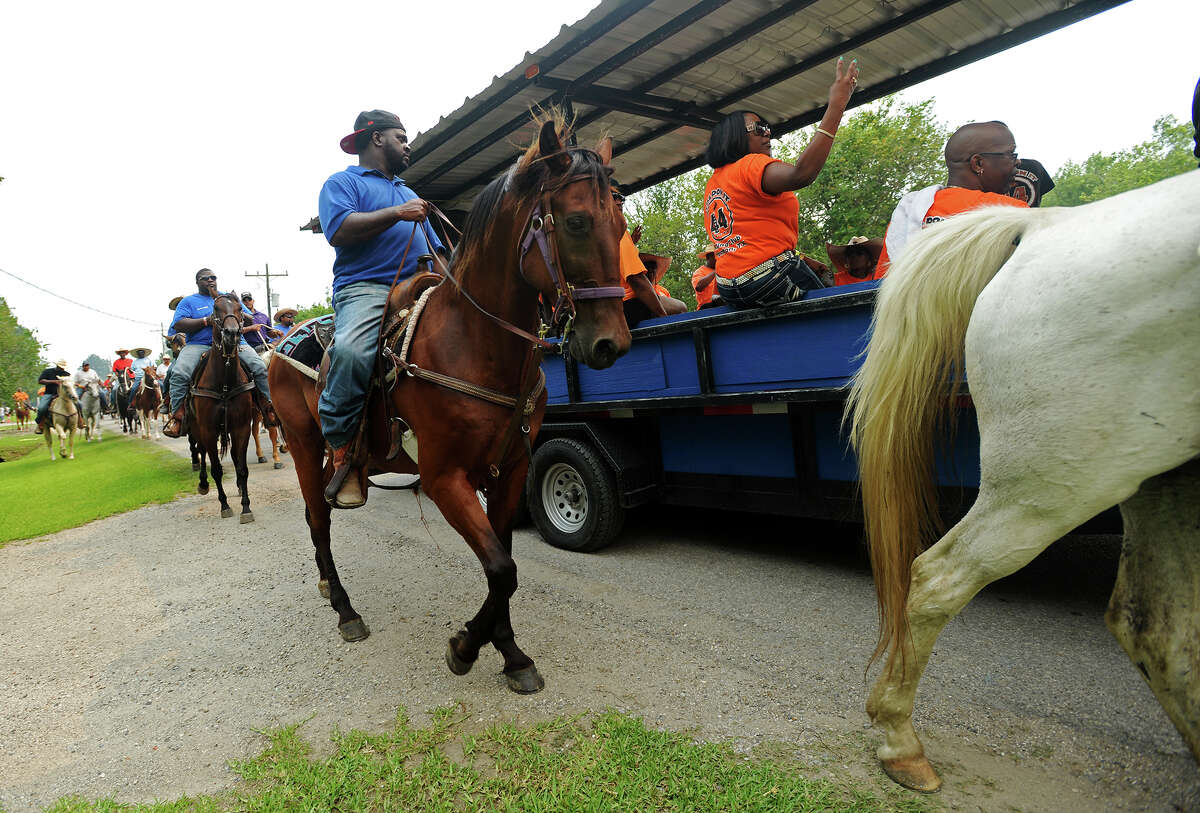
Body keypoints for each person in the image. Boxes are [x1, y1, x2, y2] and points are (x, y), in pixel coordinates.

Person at [316, 109, 447, 508]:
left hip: (423, 283)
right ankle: (344, 451)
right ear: (376, 139)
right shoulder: (343, 183)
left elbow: (437, 252)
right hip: (367, 288)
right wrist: (397, 213)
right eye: (400, 137)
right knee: (354, 352)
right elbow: (338, 230)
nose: (407, 145)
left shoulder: (410, 192)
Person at [702, 57, 859, 309]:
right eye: (759, 127)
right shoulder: (750, 164)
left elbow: (753, 241)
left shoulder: (714, 183)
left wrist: (803, 260)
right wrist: (837, 106)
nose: (767, 132)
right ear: (735, 138)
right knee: (842, 311)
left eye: (767, 127)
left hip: (729, 288)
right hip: (768, 278)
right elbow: (801, 174)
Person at [877, 121, 1029, 275]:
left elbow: (882, 281)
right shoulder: (1011, 212)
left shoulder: (908, 214)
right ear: (978, 164)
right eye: (1011, 154)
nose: (1018, 161)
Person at [162, 268, 277, 438]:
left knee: (259, 366)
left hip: (236, 343)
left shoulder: (227, 297)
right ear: (197, 282)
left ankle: (268, 408)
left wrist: (231, 305)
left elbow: (251, 318)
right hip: (200, 344)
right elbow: (178, 324)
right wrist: (204, 321)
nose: (210, 280)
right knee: (178, 373)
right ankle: (178, 417)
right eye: (204, 278)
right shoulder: (188, 302)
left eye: (213, 277)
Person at [614, 188, 686, 327]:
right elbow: (636, 279)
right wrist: (663, 318)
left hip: (611, 308)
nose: (619, 201)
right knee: (681, 307)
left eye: (621, 197)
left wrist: (632, 243)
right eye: (613, 196)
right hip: (629, 305)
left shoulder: (600, 234)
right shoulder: (620, 233)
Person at [35, 359, 70, 433]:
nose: (62, 369)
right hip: (49, 393)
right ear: (57, 366)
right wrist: (54, 381)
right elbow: (40, 381)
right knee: (41, 408)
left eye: (63, 367)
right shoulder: (47, 371)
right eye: (60, 367)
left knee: (79, 404)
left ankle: (80, 421)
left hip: (63, 395)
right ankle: (40, 424)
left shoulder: (66, 374)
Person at [691, 245, 719, 309]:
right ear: (708, 257)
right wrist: (717, 270)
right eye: (716, 255)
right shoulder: (699, 272)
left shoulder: (724, 270)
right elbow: (699, 287)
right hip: (705, 309)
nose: (718, 258)